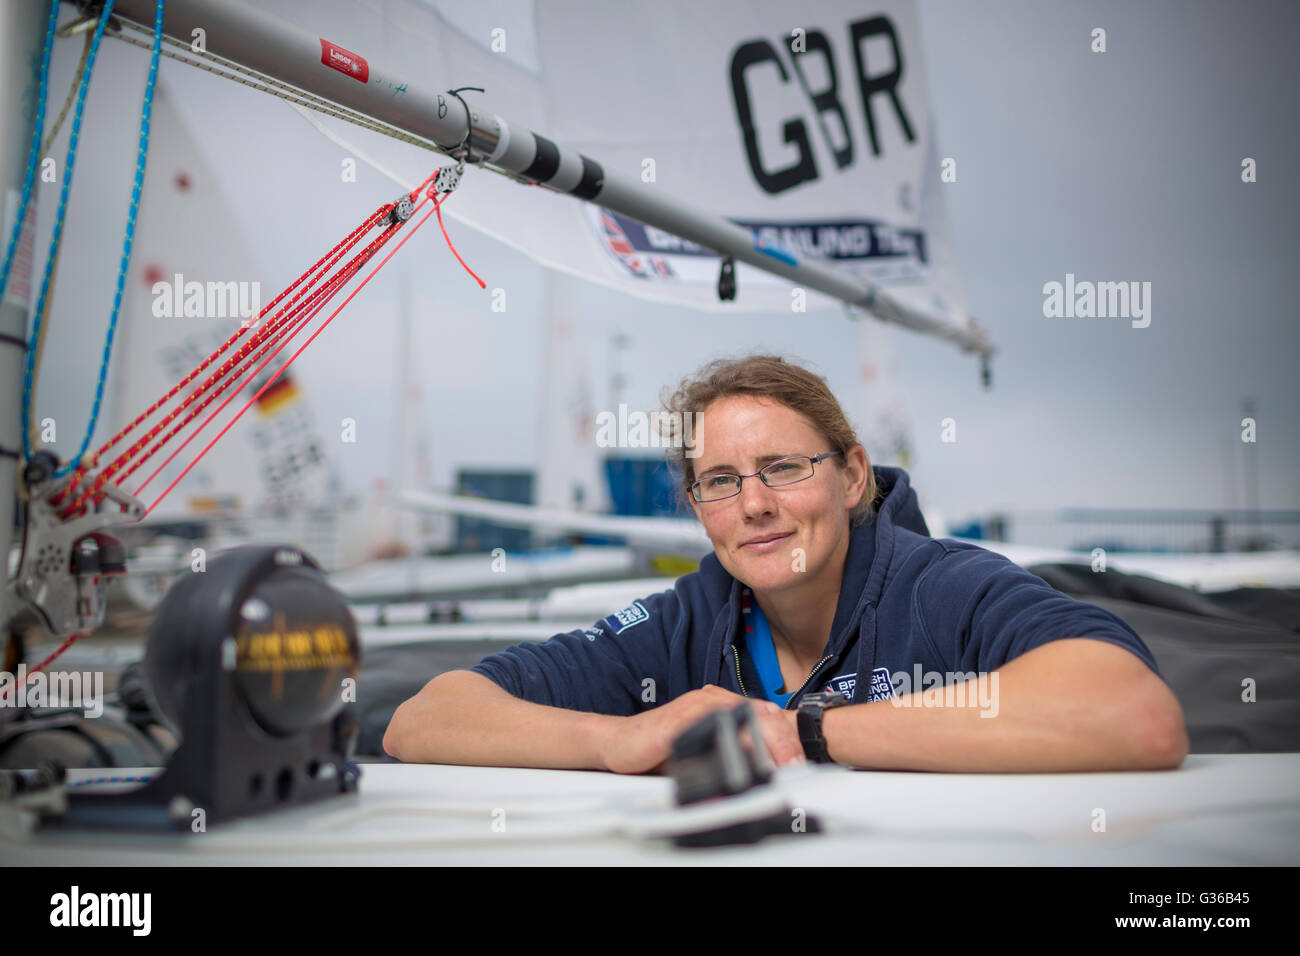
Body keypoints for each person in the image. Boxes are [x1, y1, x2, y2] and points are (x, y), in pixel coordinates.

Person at [384, 354, 1188, 773]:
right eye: (722, 482)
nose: (755, 504)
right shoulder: (684, 622)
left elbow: (1134, 713)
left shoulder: (940, 587)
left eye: (784, 468)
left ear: (853, 475)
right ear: (700, 509)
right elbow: (425, 719)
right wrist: (611, 740)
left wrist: (809, 733)